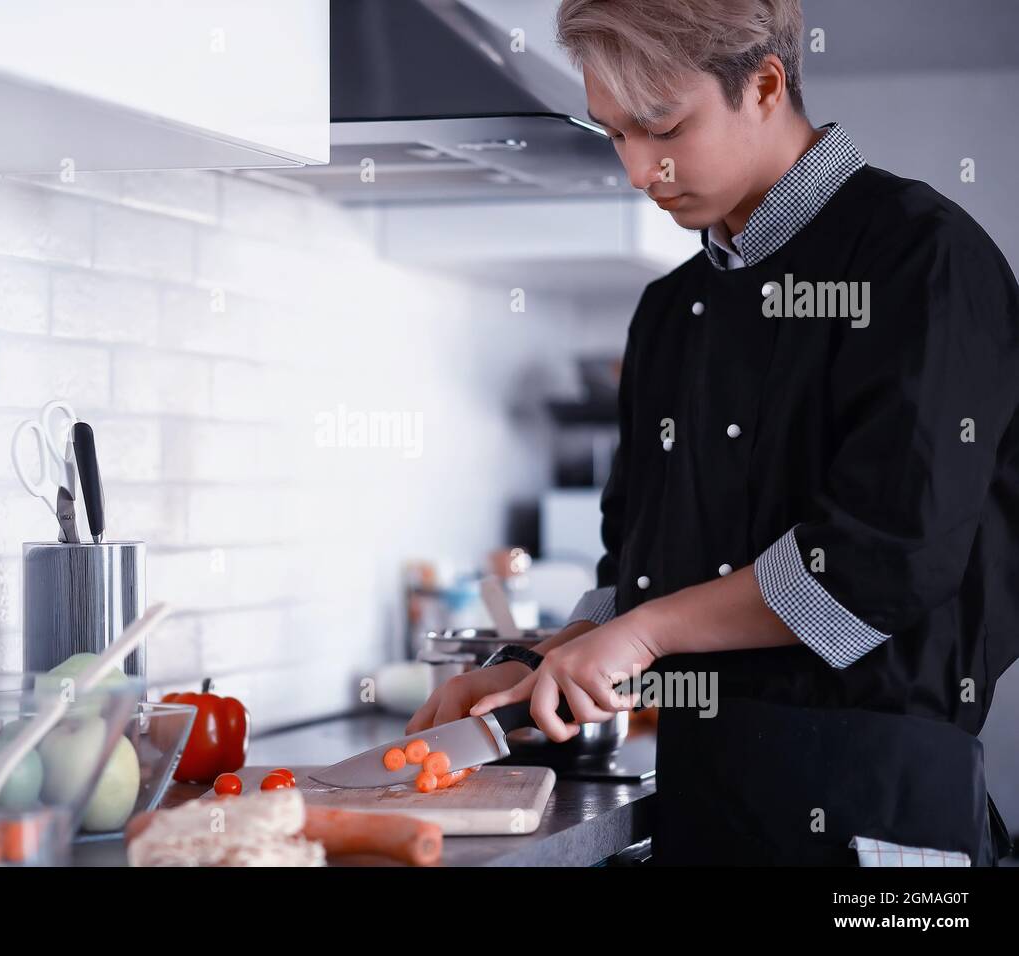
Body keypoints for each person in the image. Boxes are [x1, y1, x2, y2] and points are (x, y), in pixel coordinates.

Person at [407, 0, 1017, 865]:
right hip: (707, 804)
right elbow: (642, 574)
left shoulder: (921, 258)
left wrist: (644, 636)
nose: (635, 171)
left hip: (874, 813)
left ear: (765, 84)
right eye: (612, 133)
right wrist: (532, 667)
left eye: (661, 128)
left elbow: (885, 560)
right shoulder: (667, 314)